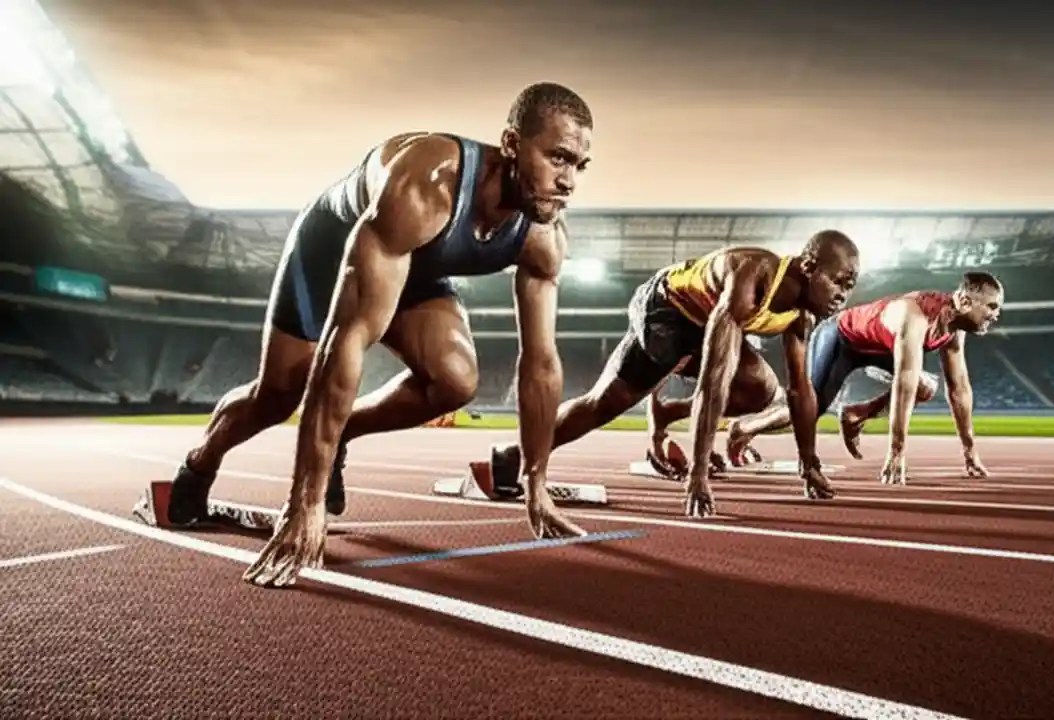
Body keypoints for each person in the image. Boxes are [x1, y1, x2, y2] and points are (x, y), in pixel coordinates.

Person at [162, 82, 596, 588]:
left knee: (456, 381)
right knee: (278, 396)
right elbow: (349, 336)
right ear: (511, 143)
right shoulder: (427, 183)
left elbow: (541, 362)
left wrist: (535, 482)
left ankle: (343, 433)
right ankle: (199, 465)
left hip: (416, 263)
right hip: (331, 251)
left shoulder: (544, 237)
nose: (568, 182)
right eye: (558, 158)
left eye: (579, 166)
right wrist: (305, 502)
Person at [489, 231, 861, 517]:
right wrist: (698, 472)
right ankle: (514, 455)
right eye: (839, 281)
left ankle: (666, 409)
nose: (843, 295)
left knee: (762, 389)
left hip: (704, 326)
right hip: (667, 308)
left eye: (849, 287)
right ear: (809, 266)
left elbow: (800, 391)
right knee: (607, 403)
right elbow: (714, 382)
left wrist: (808, 464)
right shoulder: (751, 278)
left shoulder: (802, 316)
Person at [728, 271, 1004, 485]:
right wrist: (896, 453)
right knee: (809, 409)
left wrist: (970, 451)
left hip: (880, 348)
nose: (996, 315)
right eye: (991, 307)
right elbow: (903, 385)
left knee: (927, 387)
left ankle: (855, 414)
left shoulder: (955, 328)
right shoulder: (916, 316)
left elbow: (960, 390)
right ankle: (744, 428)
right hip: (841, 338)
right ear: (966, 301)